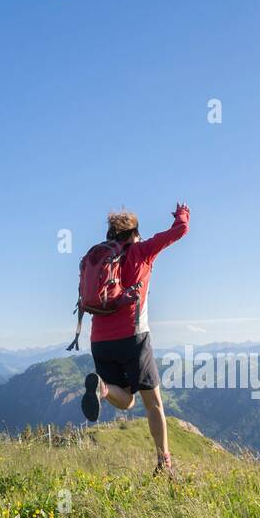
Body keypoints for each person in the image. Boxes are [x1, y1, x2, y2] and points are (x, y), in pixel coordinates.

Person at [80, 202, 190, 476]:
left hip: (99, 340)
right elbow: (181, 230)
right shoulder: (143, 251)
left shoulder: (99, 258)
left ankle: (103, 388)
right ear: (134, 234)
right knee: (153, 405)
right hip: (133, 337)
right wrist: (181, 213)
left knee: (126, 400)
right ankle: (164, 464)